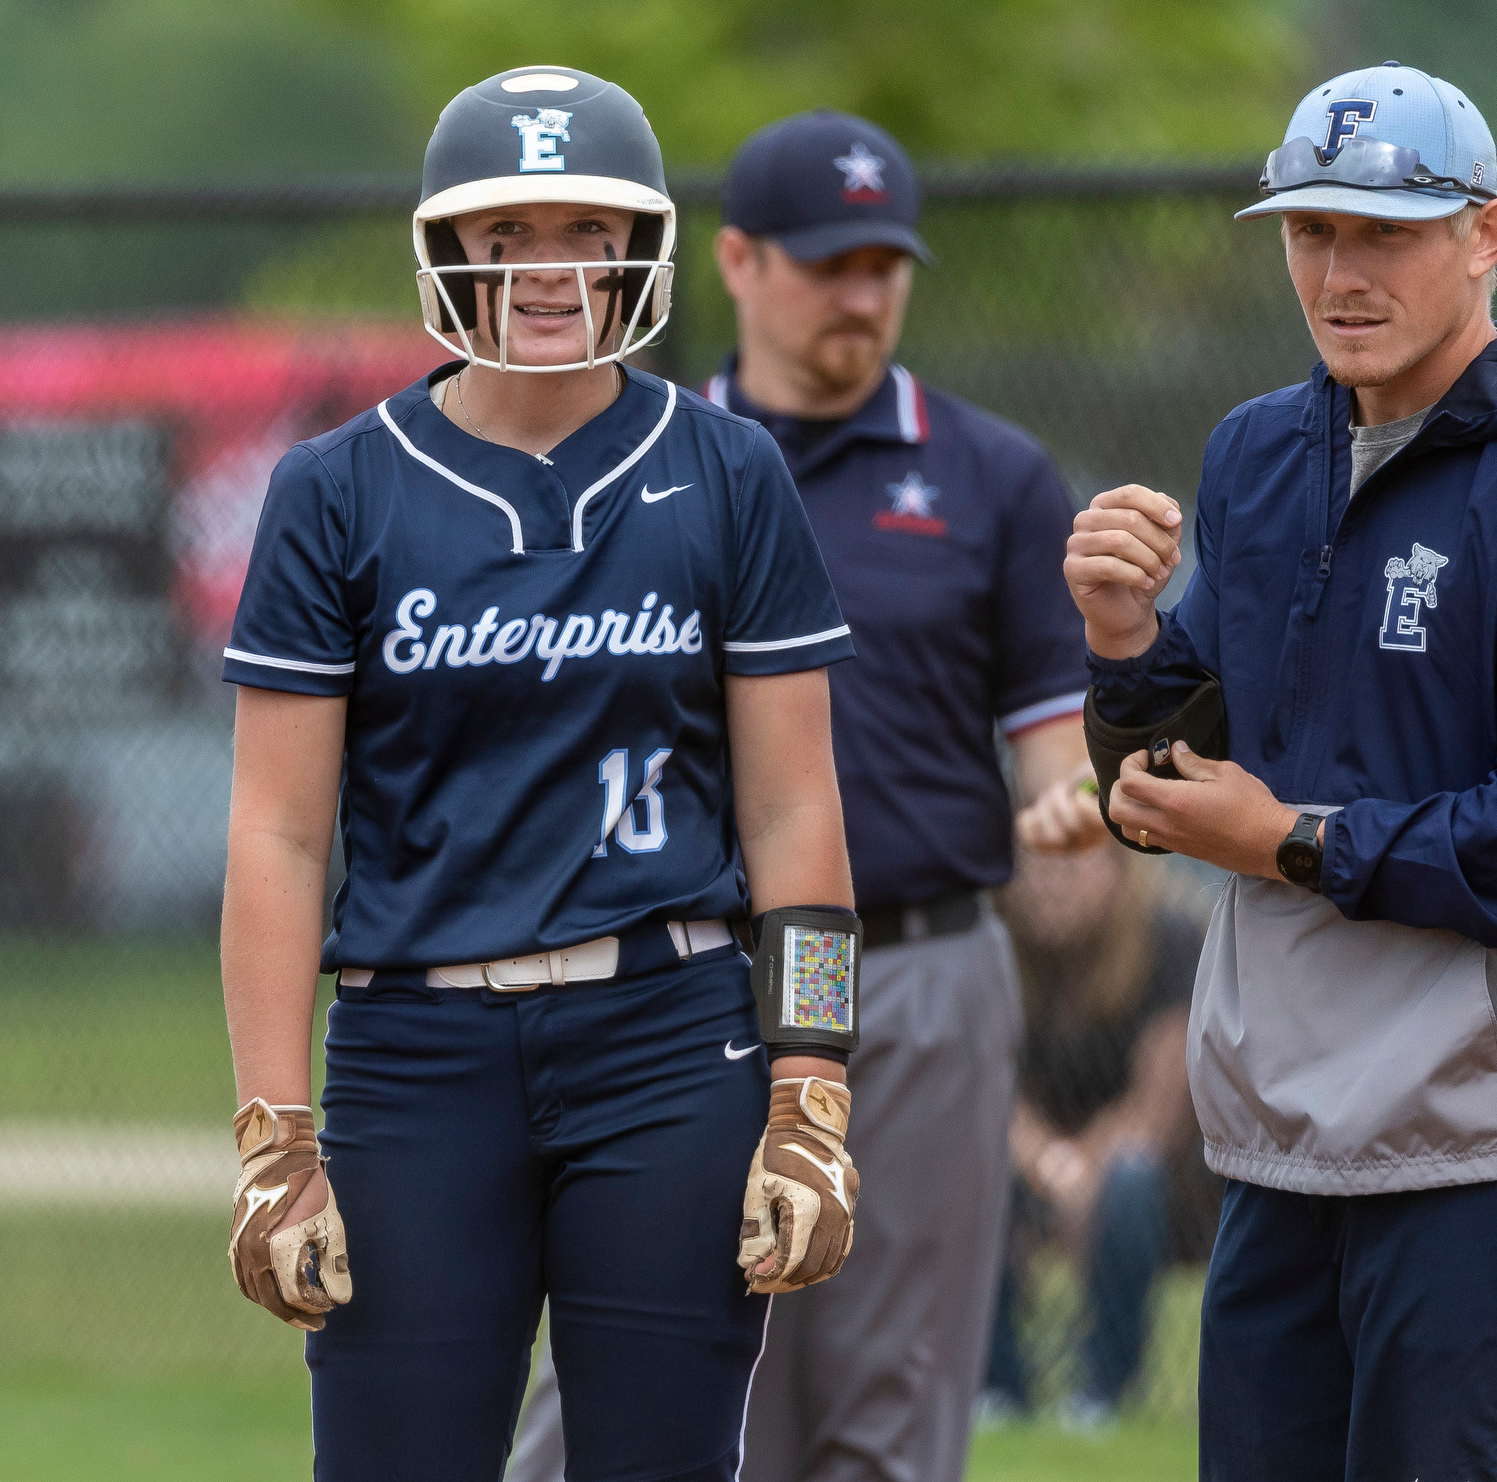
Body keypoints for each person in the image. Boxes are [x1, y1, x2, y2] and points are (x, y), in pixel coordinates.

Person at [218, 67, 866, 1481]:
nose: (552, 266)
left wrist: (808, 1089)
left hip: (668, 1031)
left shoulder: (730, 468)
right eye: (508, 232)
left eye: (588, 228)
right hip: (414, 1050)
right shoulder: (335, 486)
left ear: (640, 246)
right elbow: (274, 835)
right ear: (450, 249)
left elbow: (793, 812)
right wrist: (274, 1132)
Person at [510, 110, 1103, 1482]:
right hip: (679, 976)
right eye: (828, 260)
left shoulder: (989, 474)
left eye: (883, 263)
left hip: (908, 972)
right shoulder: (622, 460)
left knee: (885, 1408)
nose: (861, 293)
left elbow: (1049, 740)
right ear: (736, 261)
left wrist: (1067, 798)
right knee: (625, 1389)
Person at [1063, 63, 1497, 1477]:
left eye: (1383, 232)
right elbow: (1172, 772)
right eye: (1306, 230)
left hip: (1480, 1154)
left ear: (1484, 233)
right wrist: (1119, 639)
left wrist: (1285, 839)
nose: (1338, 272)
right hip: (1270, 1149)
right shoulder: (1256, 453)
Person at [982, 844, 1207, 1430]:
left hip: (1162, 1185)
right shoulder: (994, 945)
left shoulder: (1173, 939)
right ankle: (999, 1393)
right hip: (1031, 1168)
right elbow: (993, 1091)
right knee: (971, 1165)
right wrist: (1054, 1168)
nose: (1047, 883)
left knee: (1131, 1176)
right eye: (1033, 863)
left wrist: (1084, 1170)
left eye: (1069, 863)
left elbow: (1159, 1108)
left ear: (1119, 867)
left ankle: (1102, 1397)